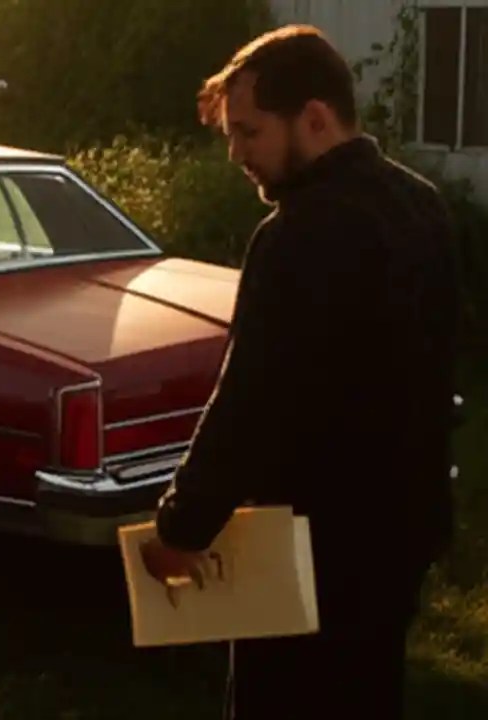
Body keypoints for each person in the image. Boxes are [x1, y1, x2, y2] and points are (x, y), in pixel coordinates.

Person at [137, 25, 462, 720]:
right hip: (401, 538)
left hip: (308, 553)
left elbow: (249, 403)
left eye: (249, 132)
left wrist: (180, 528)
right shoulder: (422, 207)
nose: (236, 154)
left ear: (314, 118)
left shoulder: (296, 236)